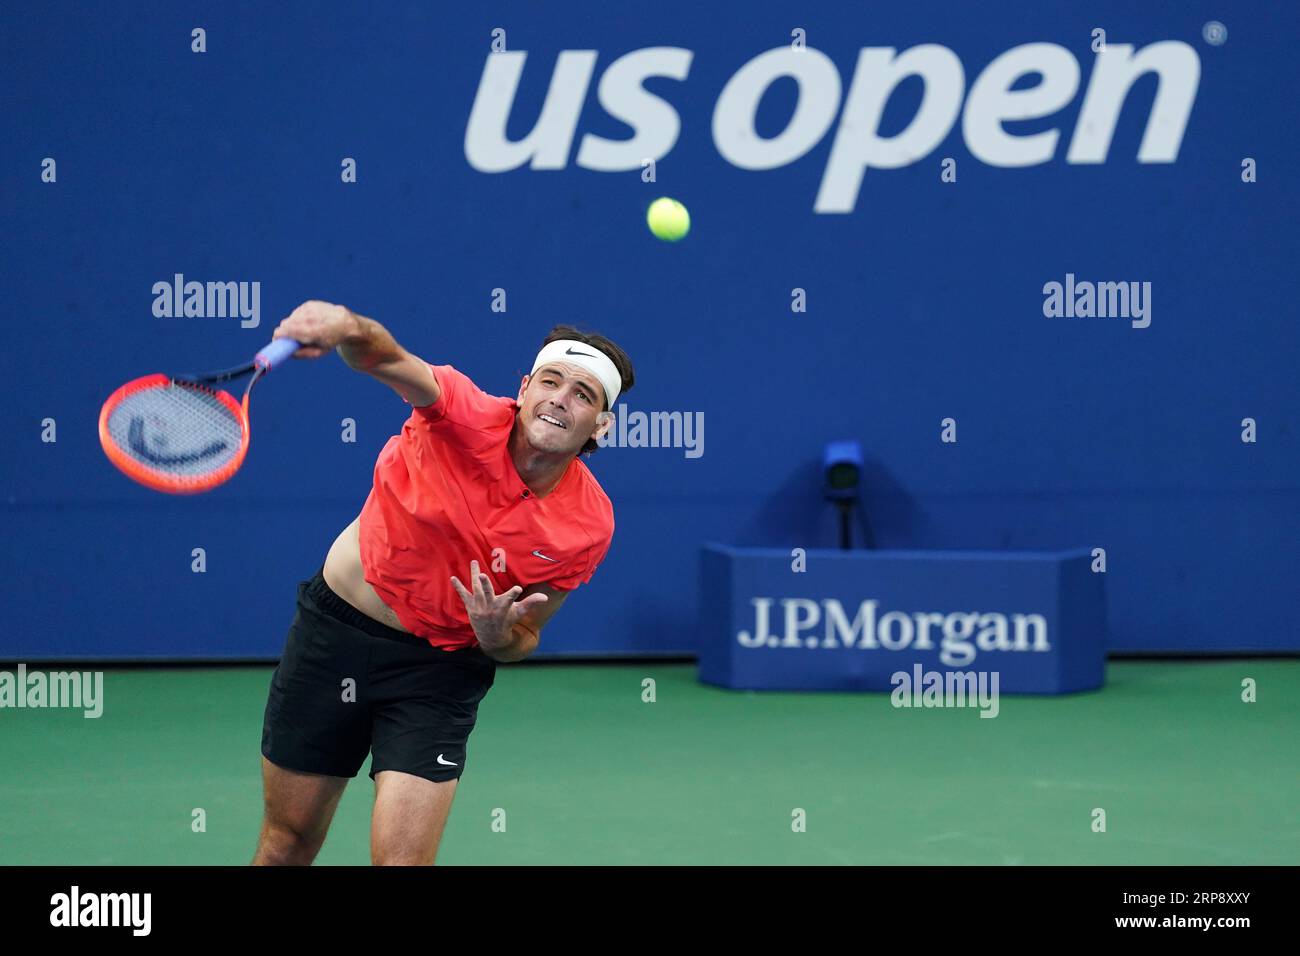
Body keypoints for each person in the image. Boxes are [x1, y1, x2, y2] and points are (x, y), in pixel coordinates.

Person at [251, 300, 634, 865]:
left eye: (583, 394)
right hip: (334, 640)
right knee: (289, 843)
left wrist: (496, 634)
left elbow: (525, 637)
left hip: (440, 671)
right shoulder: (460, 412)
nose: (560, 398)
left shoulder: (588, 524)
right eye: (550, 381)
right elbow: (385, 356)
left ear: (601, 424)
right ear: (524, 389)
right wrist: (345, 327)